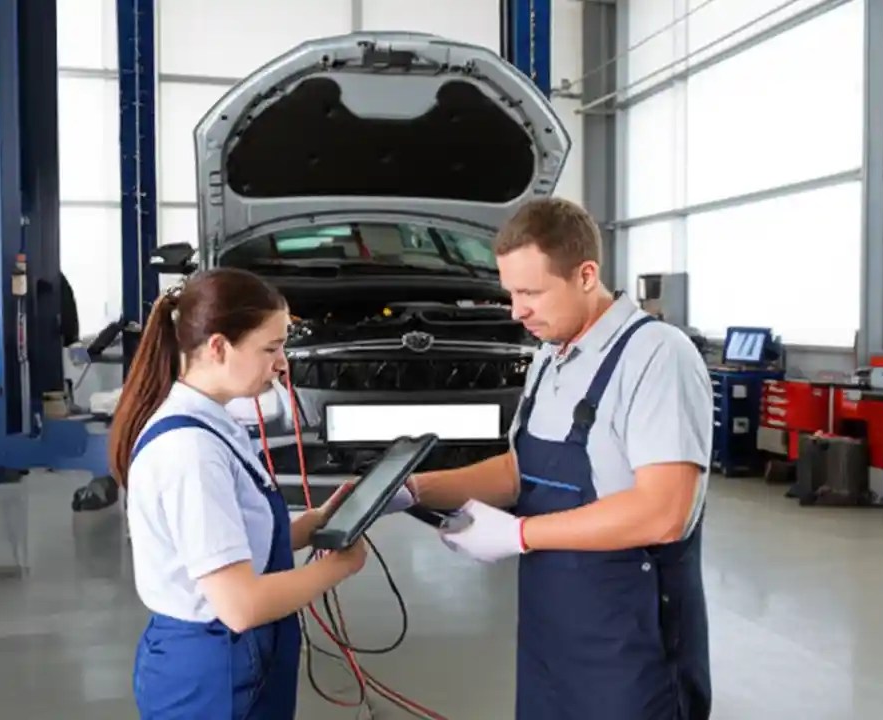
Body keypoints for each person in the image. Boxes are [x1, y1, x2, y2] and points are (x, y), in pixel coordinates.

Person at [385, 198, 714, 719]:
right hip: (550, 636)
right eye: (511, 293)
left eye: (531, 293)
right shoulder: (549, 355)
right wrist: (412, 490)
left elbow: (664, 512)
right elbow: (520, 471)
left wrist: (518, 534)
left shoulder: (657, 356)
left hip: (631, 648)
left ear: (586, 275)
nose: (516, 311)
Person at [109, 267, 367, 719]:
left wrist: (311, 526)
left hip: (234, 658)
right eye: (270, 348)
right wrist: (339, 567)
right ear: (218, 347)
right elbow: (241, 606)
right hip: (213, 669)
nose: (282, 363)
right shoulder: (191, 452)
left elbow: (227, 541)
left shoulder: (216, 422)